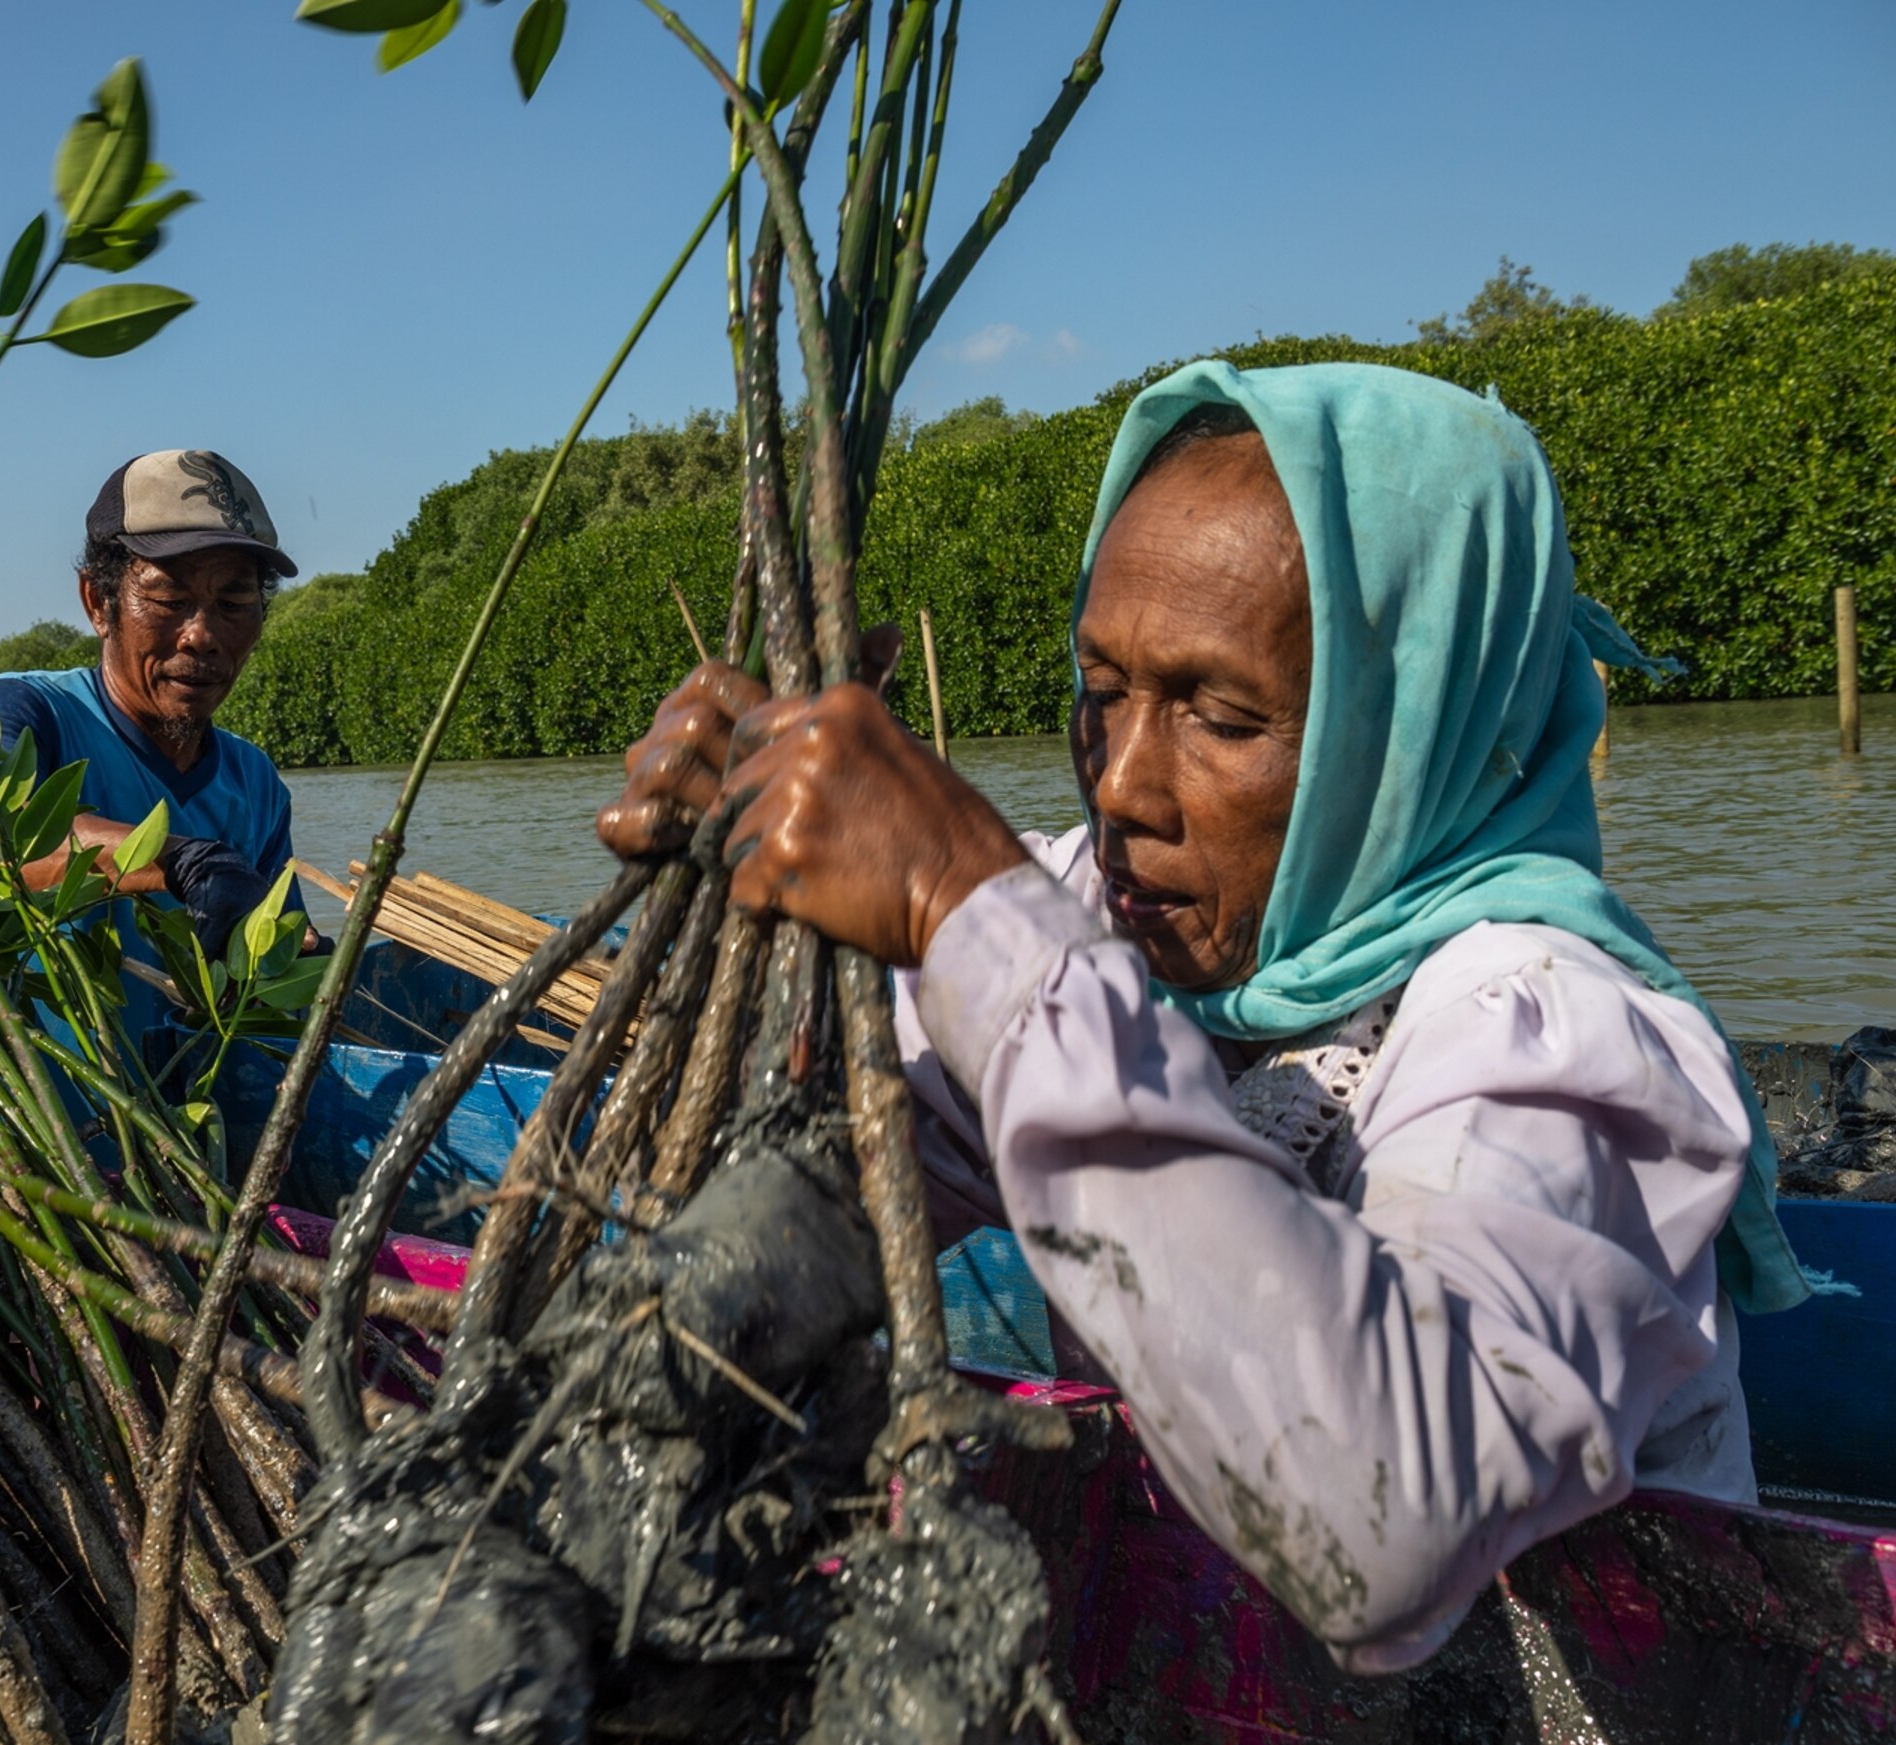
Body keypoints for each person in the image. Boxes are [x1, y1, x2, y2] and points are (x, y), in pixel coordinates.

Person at [598, 360, 1813, 1676]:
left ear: (1408, 731)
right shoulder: (1102, 905)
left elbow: (1383, 1517)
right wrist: (761, 925)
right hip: (1216, 1690)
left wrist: (959, 901)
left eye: (1223, 717)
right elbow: (846, 1167)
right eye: (1102, 691)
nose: (1123, 785)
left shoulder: (1544, 1026)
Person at [0, 449, 316, 1021]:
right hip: (29, 1107)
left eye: (233, 602)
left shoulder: (254, 781)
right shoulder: (24, 712)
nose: (201, 636)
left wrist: (296, 968)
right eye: (168, 600)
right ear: (98, 603)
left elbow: (278, 963)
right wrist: (180, 861)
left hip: (181, 1108)